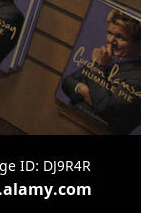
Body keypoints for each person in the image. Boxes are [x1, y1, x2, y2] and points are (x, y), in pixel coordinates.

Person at [59, 7, 141, 135]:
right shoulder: (108, 58)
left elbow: (104, 107)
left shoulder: (137, 75)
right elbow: (67, 82)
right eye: (110, 33)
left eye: (120, 37)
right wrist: (84, 90)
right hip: (72, 123)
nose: (110, 41)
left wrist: (98, 66)